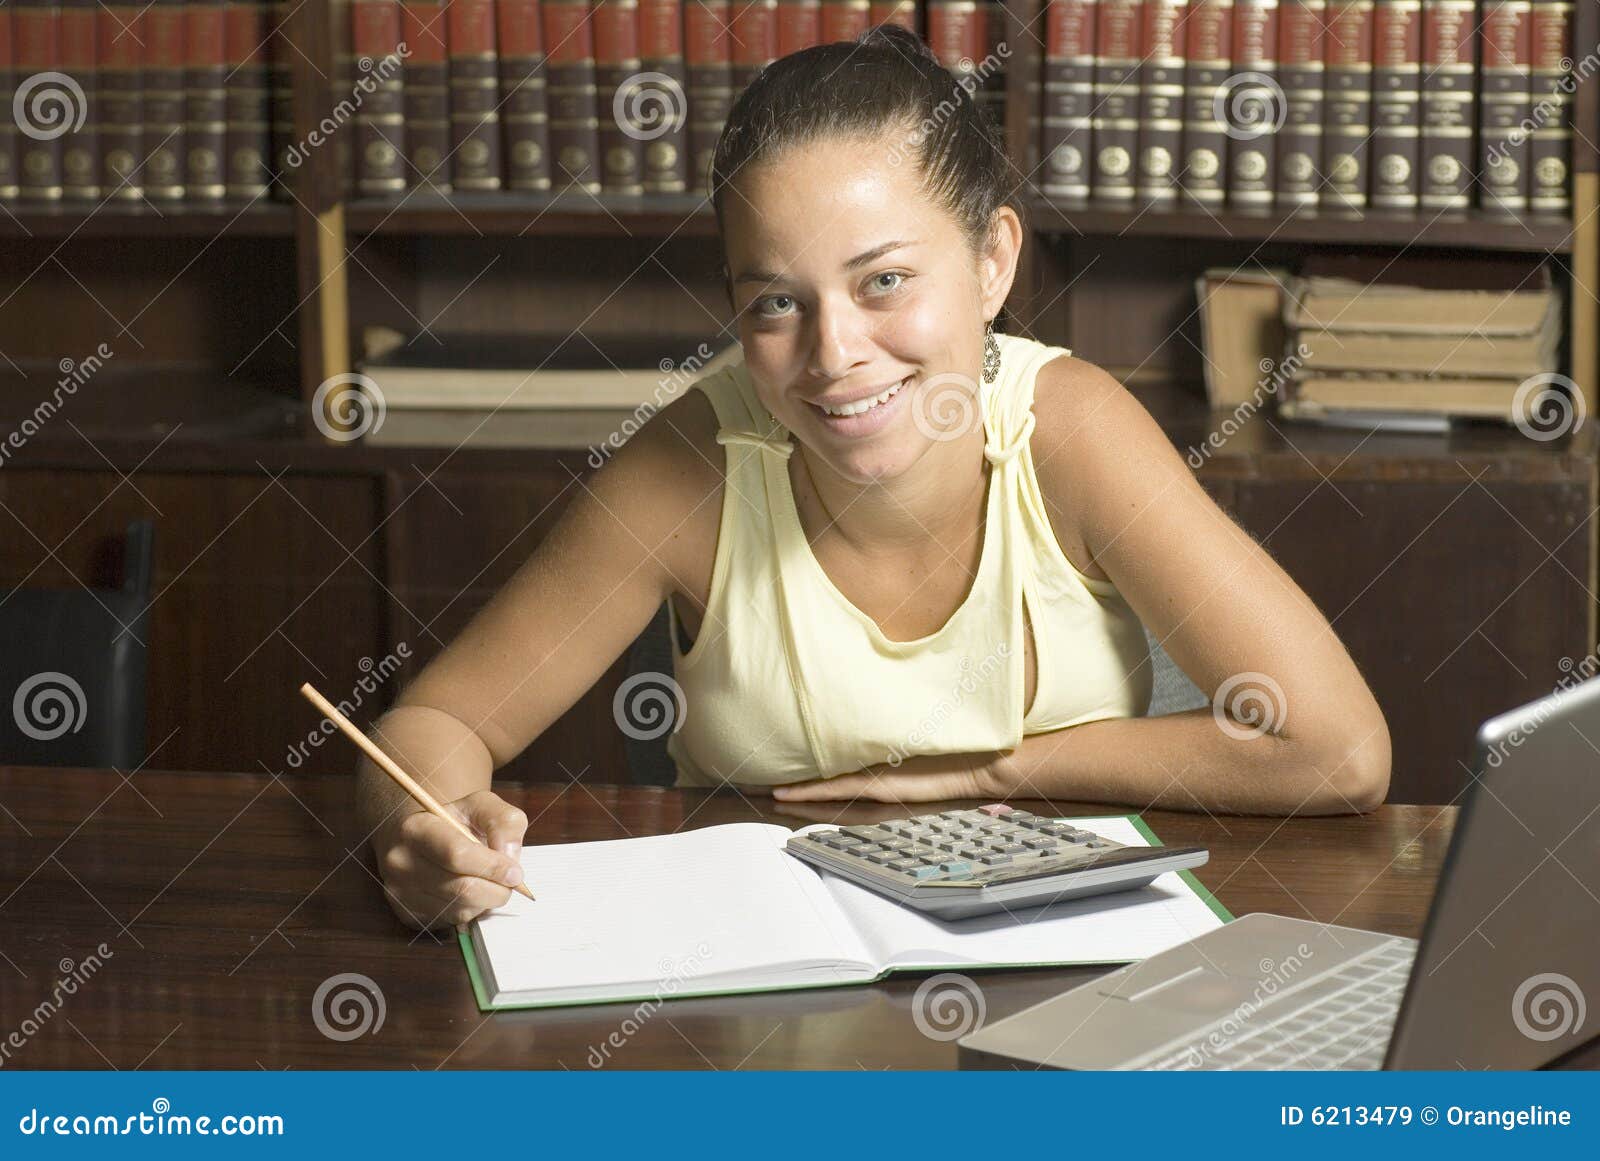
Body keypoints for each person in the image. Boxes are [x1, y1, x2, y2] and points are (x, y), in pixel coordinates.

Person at [359, 25, 1391, 931]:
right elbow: (435, 725)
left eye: (884, 281)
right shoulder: (686, 464)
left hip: (1061, 956)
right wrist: (425, 829)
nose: (835, 353)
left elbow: (1337, 751)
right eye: (776, 302)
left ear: (991, 263)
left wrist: (996, 768)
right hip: (759, 976)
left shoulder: (1071, 430)